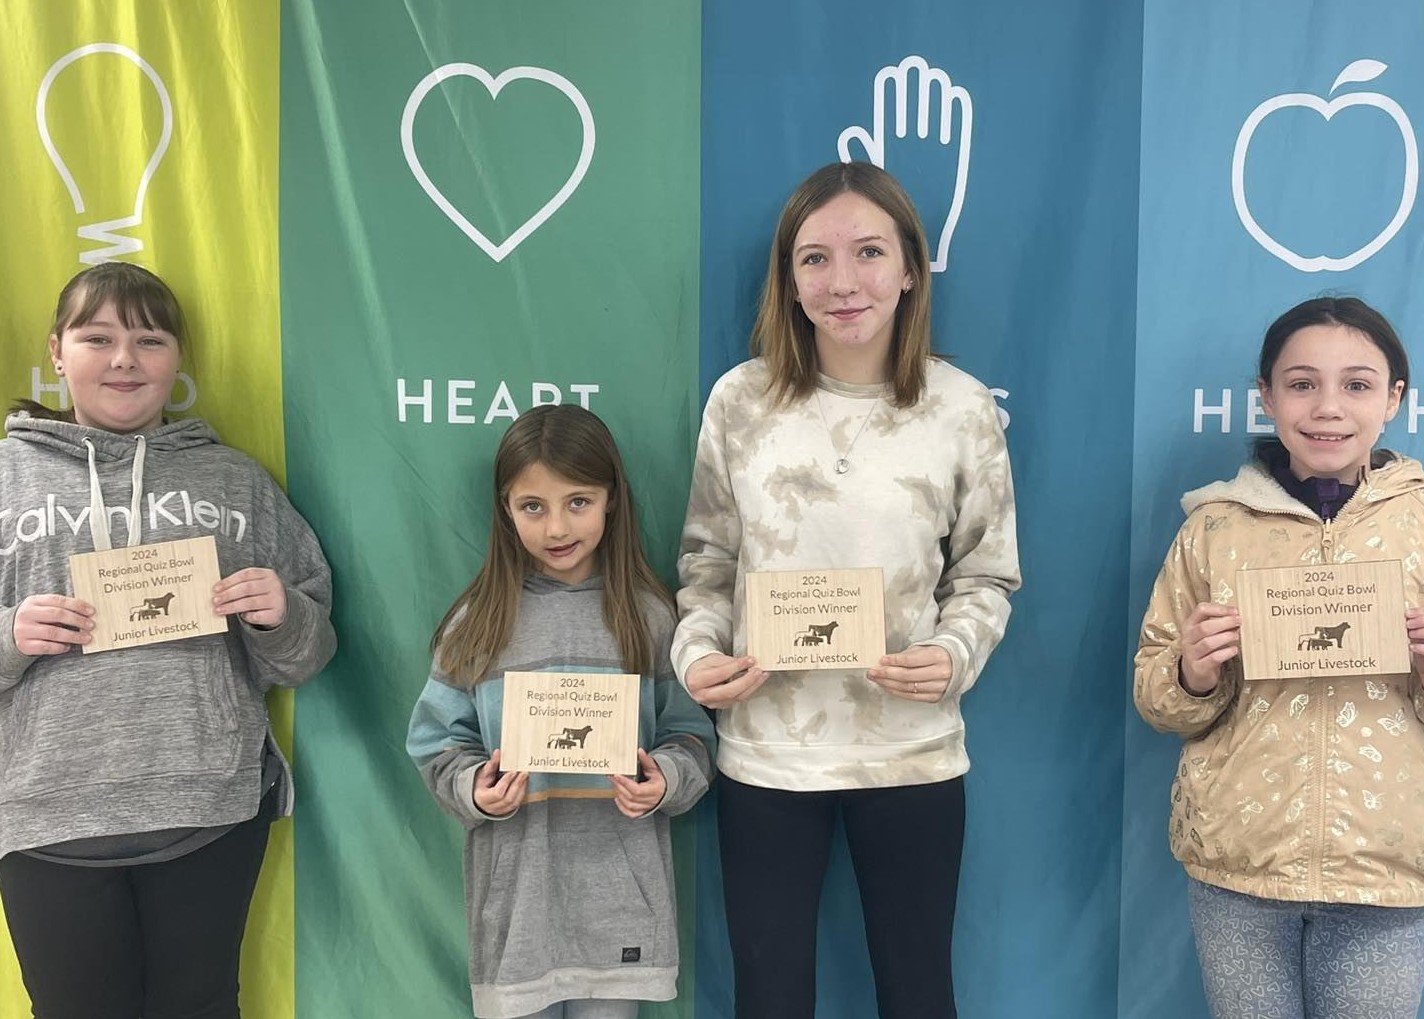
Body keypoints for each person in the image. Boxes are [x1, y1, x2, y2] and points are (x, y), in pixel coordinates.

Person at [673, 161, 1020, 1019]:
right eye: (815, 259)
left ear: (911, 268)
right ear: (789, 283)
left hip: (911, 749)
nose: (843, 281)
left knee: (916, 992)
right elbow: (706, 565)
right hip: (766, 751)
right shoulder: (740, 401)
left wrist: (951, 652)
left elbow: (987, 570)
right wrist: (697, 654)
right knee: (772, 997)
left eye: (869, 251)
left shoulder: (961, 407)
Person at [0, 261, 336, 1019]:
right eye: (98, 337)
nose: (125, 359)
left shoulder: (236, 482)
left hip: (206, 807)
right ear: (56, 351)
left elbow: (306, 656)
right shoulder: (6, 477)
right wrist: (10, 634)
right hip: (47, 815)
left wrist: (282, 614)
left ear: (177, 359)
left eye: (149, 340)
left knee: (204, 1006)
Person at [1135, 296, 1424, 1019]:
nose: (1328, 406)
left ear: (1395, 399)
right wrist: (1192, 671)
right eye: (1301, 383)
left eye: (1357, 384)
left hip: (1385, 875)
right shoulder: (1214, 528)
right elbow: (1154, 689)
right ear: (1265, 396)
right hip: (1242, 871)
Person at [407, 404, 715, 1019]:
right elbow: (436, 743)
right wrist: (476, 787)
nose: (556, 528)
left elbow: (692, 734)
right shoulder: (476, 627)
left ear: (611, 502)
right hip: (517, 916)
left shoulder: (651, 619)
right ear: (505, 510)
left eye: (578, 502)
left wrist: (664, 782)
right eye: (533, 507)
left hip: (621, 910)